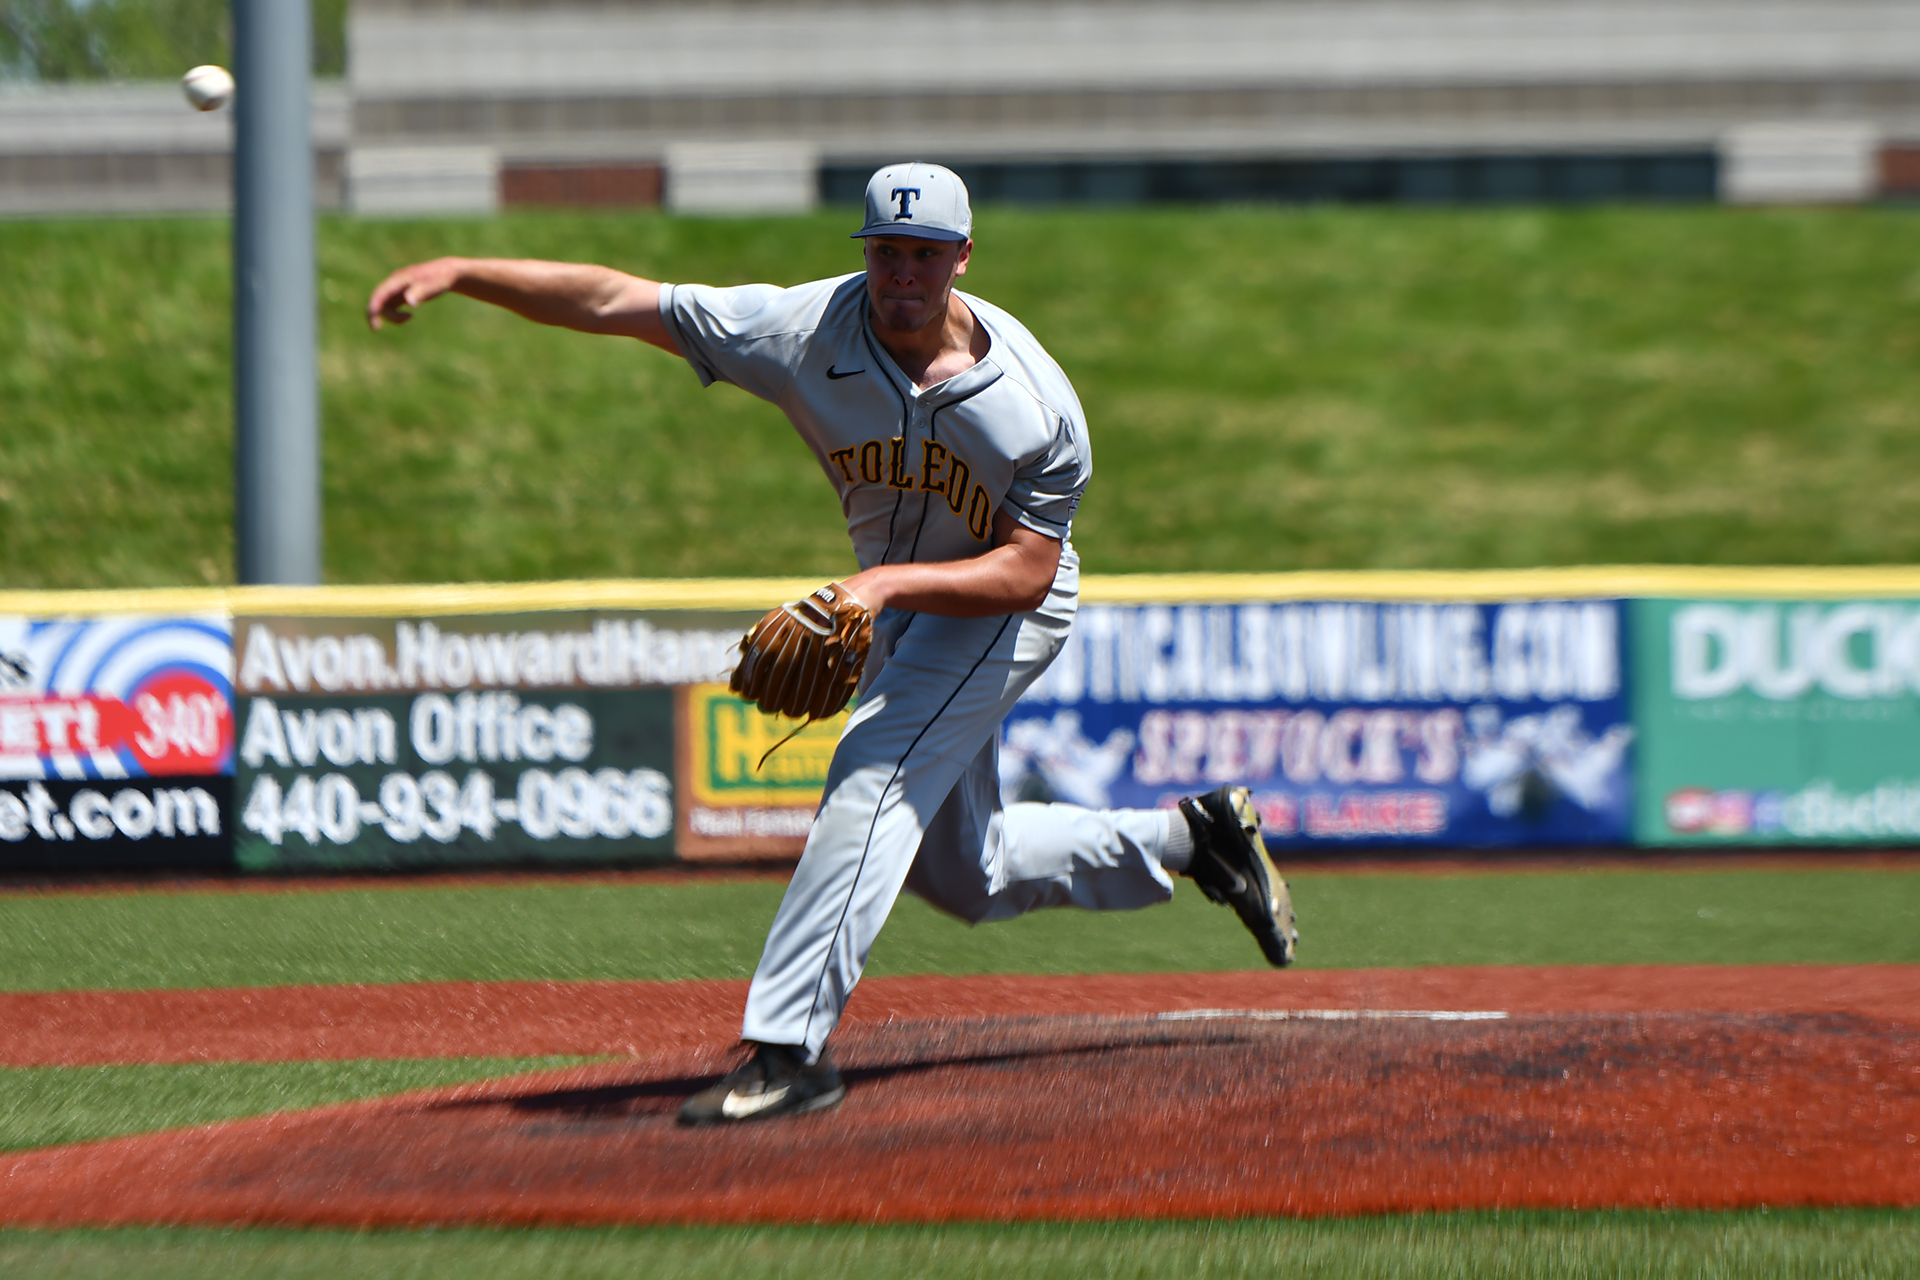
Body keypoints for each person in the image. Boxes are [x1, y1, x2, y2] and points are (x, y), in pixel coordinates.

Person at [366, 162, 1299, 1125]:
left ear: (962, 259)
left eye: (924, 255)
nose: (901, 273)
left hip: (1004, 605)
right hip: (892, 608)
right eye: (886, 251)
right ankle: (1193, 839)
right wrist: (462, 268)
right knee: (963, 876)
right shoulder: (802, 332)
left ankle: (787, 1050)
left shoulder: (1035, 403)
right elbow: (616, 298)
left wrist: (879, 583)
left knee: (874, 773)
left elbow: (1025, 569)